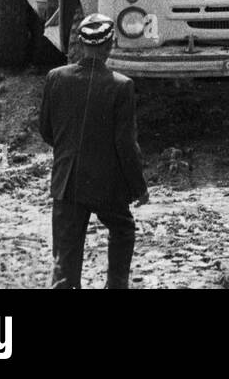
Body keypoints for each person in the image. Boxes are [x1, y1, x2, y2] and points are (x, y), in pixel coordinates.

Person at [40, 14, 148, 290]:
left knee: (65, 260)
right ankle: (116, 285)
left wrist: (70, 153)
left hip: (67, 184)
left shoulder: (55, 78)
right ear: (111, 45)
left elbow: (46, 131)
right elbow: (125, 145)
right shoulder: (121, 85)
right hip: (106, 185)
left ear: (80, 44)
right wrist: (138, 188)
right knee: (123, 229)